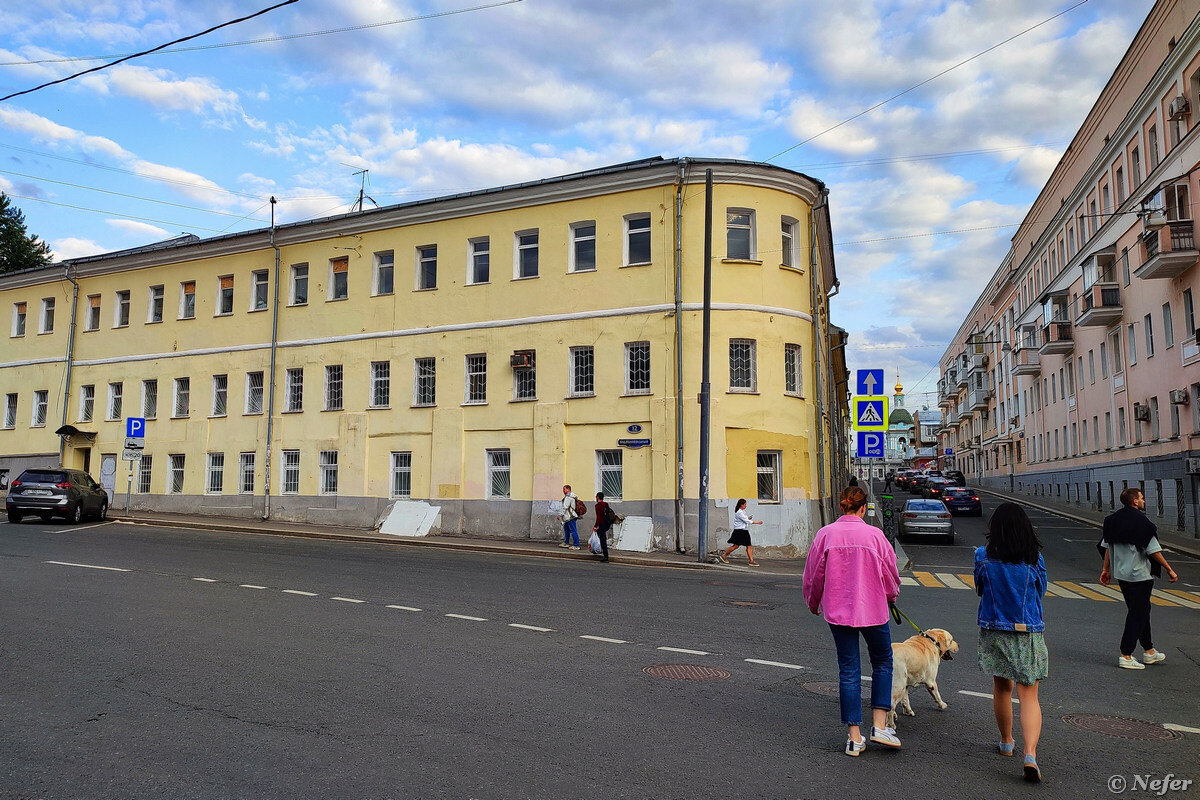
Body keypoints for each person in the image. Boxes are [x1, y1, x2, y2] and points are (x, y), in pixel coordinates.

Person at [803, 486, 901, 756]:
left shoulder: (825, 535)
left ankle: (854, 738)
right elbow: (890, 573)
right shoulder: (875, 535)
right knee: (882, 662)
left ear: (840, 507)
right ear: (862, 508)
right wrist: (892, 595)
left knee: (848, 670)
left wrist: (814, 602)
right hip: (874, 610)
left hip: (839, 612)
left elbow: (814, 575)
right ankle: (880, 726)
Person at [974, 502, 1048, 783]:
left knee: (1001, 687)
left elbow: (980, 588)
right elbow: (1041, 590)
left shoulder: (983, 555)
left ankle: (1007, 742)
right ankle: (1030, 754)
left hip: (995, 628)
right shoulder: (1034, 558)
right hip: (1028, 629)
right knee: (1029, 693)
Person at [1100, 487, 1178, 670]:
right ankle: (1126, 654)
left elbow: (1107, 546)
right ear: (1135, 501)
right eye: (1141, 498)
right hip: (1140, 575)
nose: (1143, 501)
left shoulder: (1112, 520)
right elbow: (1153, 550)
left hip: (1122, 575)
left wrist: (1105, 570)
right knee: (1138, 613)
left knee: (1141, 611)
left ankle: (1149, 651)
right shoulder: (1142, 522)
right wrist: (1169, 569)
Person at [719, 499, 764, 566]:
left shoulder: (742, 511)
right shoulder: (739, 512)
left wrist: (748, 518)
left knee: (748, 546)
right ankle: (724, 555)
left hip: (744, 531)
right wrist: (757, 522)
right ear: (741, 505)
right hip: (739, 531)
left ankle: (751, 561)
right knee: (736, 546)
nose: (746, 505)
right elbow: (746, 521)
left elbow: (745, 520)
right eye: (745, 504)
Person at [557, 484, 580, 550]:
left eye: (564, 489)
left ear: (568, 489)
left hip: (570, 516)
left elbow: (565, 507)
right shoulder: (573, 496)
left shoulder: (568, 497)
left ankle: (576, 545)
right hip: (568, 517)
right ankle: (566, 542)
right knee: (567, 530)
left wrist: (560, 515)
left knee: (573, 531)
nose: (563, 491)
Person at [591, 492, 611, 562]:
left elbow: (599, 517)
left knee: (603, 540)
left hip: (602, 524)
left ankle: (606, 557)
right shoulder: (606, 504)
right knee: (601, 536)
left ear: (597, 497)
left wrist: (595, 526)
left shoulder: (598, 506)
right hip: (607, 524)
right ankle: (601, 551)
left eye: (596, 497)